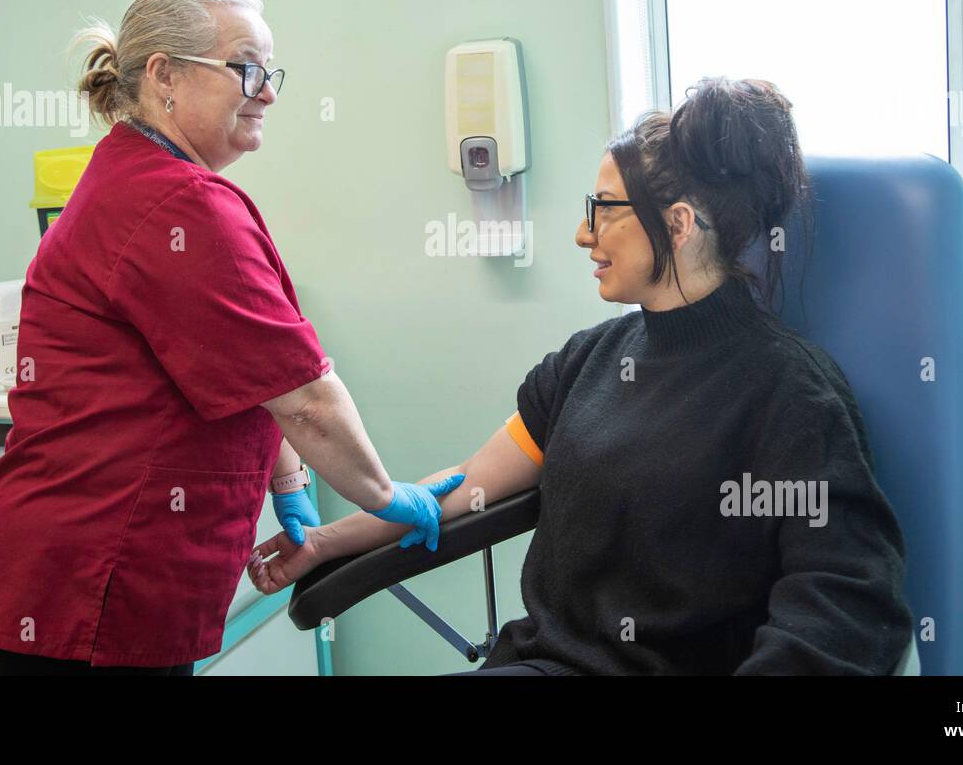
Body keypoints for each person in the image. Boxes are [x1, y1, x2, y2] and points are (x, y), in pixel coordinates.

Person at [247, 77, 915, 675]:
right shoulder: (588, 363)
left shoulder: (790, 395)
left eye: (602, 210)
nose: (581, 234)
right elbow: (466, 488)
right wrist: (323, 545)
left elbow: (846, 605)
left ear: (677, 226)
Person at [0, 0, 462, 675]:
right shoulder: (175, 204)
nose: (270, 93)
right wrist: (384, 497)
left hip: (71, 575)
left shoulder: (141, 181)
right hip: (88, 585)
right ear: (164, 74)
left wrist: (288, 485)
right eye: (247, 68)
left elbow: (243, 363)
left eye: (271, 71)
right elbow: (305, 397)